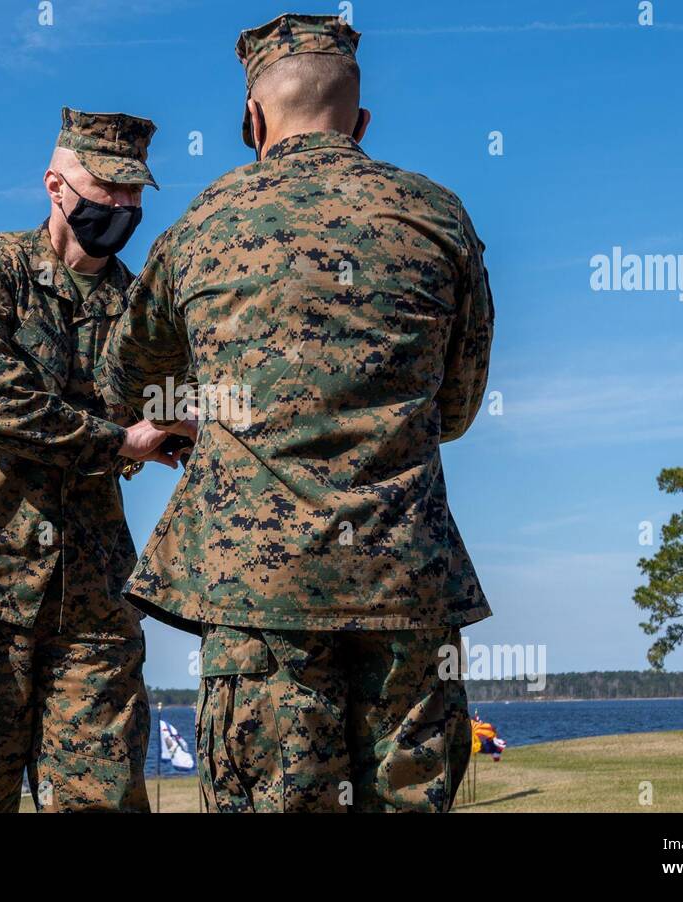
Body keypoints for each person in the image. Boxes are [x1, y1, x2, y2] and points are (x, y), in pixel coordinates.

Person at [101, 14, 495, 812]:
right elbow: (454, 408)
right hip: (404, 590)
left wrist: (201, 407)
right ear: (360, 122)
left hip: (257, 604)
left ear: (252, 121)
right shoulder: (437, 217)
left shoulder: (202, 223)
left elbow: (128, 379)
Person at [0, 107, 179, 812]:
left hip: (92, 600)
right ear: (56, 186)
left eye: (135, 194)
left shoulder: (142, 310)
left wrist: (185, 422)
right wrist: (119, 442)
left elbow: (175, 401)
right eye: (108, 189)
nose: (123, 207)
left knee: (103, 799)